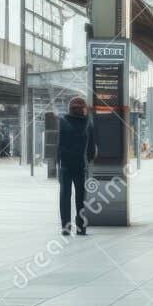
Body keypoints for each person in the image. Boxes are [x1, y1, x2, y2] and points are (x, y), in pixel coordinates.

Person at [57, 96, 97, 235]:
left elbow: (58, 144)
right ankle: (81, 227)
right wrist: (89, 159)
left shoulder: (62, 121)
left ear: (70, 109)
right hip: (81, 165)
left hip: (65, 165)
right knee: (81, 197)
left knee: (64, 196)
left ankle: (66, 227)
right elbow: (91, 147)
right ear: (83, 109)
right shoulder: (88, 122)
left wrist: (58, 162)